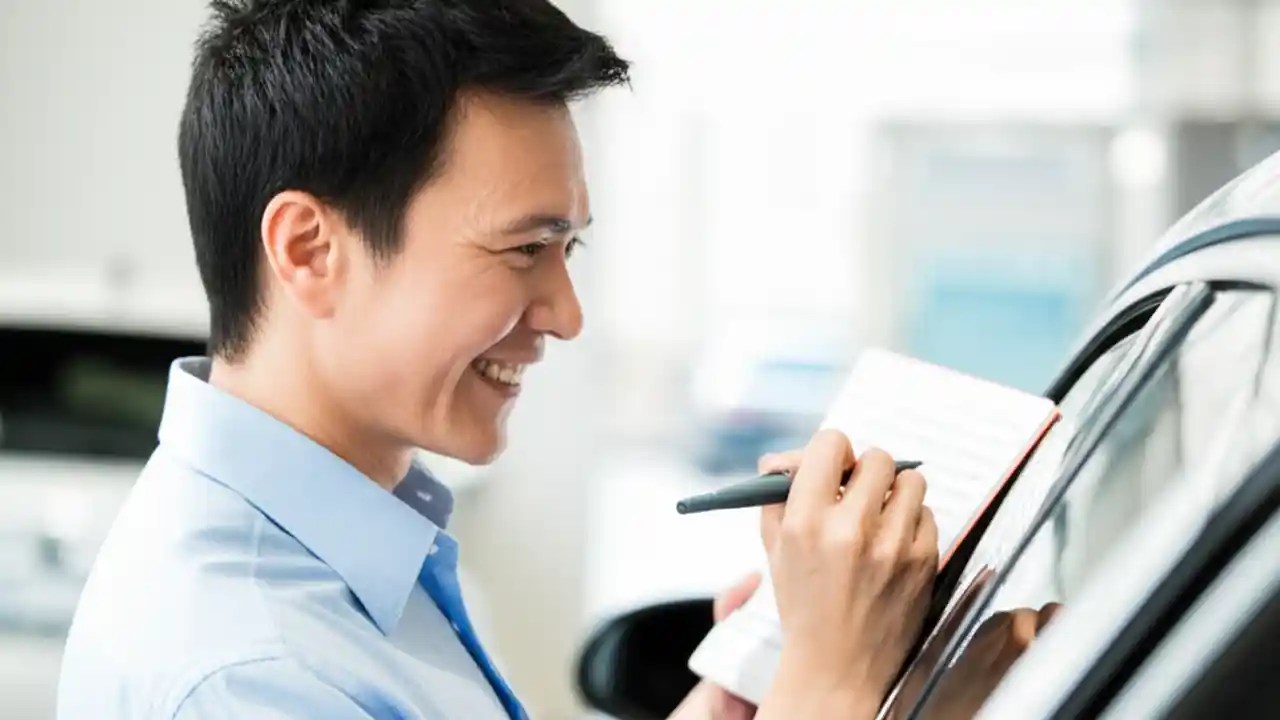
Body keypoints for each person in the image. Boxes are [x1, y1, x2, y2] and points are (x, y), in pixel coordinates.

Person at [56, 1, 938, 718]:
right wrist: (828, 684)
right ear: (309, 250)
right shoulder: (248, 675)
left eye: (570, 250)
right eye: (525, 250)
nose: (566, 314)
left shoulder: (365, 551)